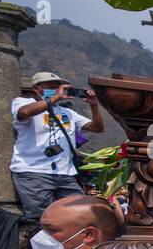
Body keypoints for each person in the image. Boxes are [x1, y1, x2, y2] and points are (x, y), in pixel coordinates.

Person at [10, 72, 104, 221]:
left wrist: (94, 105)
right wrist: (55, 98)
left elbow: (97, 127)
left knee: (78, 216)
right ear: (37, 89)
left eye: (58, 87)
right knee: (40, 219)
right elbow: (24, 113)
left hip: (65, 173)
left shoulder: (67, 112)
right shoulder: (22, 102)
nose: (56, 90)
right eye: (51, 87)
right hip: (34, 172)